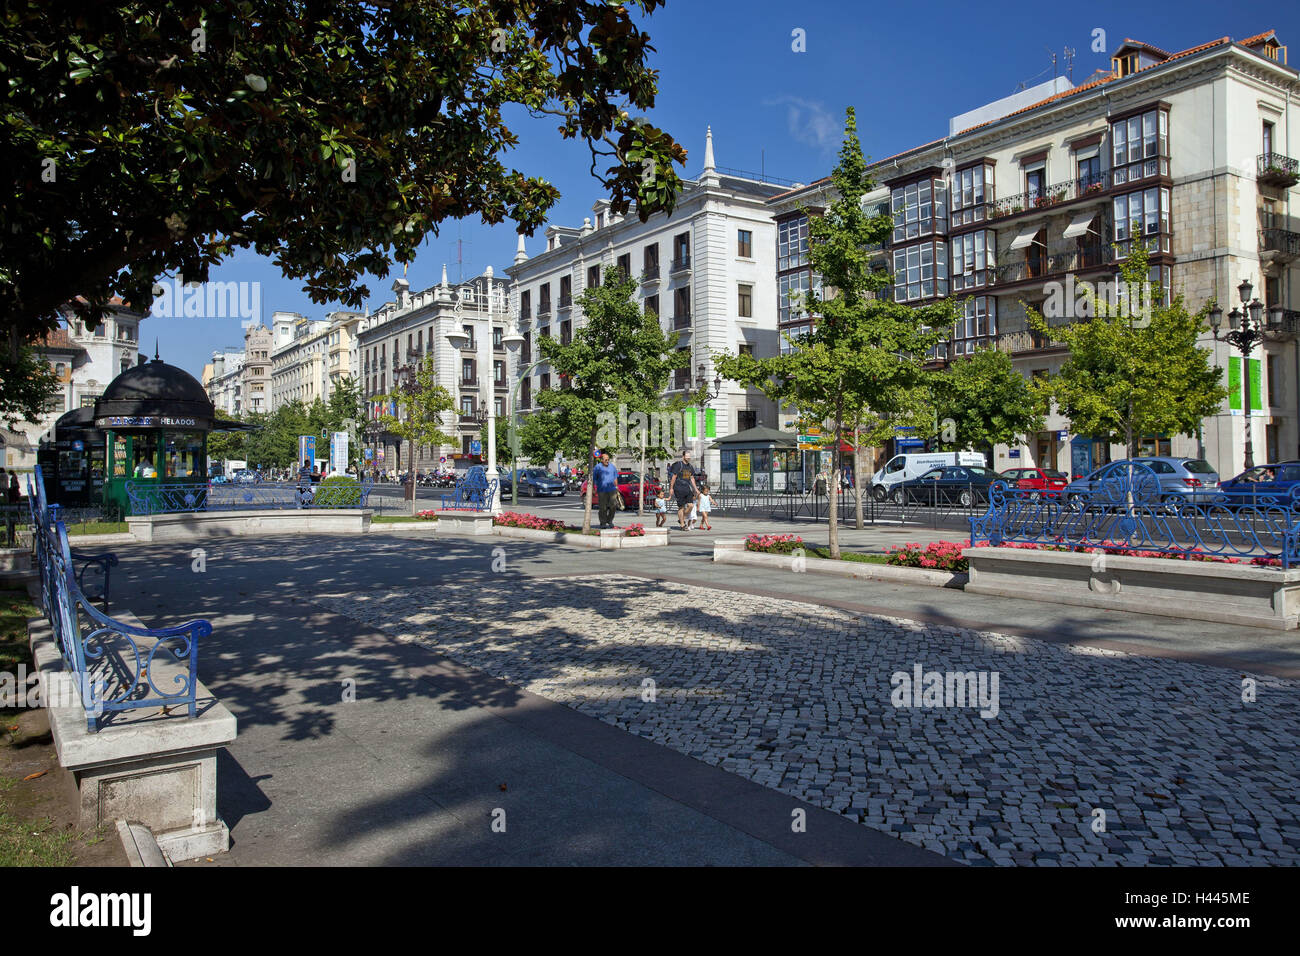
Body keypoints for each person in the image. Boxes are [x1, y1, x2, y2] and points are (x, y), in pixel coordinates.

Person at [667, 450, 700, 531]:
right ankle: (682, 525)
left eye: (689, 456)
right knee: (681, 507)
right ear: (683, 456)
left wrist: (696, 489)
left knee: (691, 505)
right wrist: (671, 488)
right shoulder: (679, 465)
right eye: (687, 456)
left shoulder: (690, 467)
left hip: (687, 488)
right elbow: (674, 477)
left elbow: (692, 478)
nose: (688, 457)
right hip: (678, 488)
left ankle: (681, 518)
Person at [592, 451, 620, 529]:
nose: (607, 461)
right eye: (605, 459)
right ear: (601, 460)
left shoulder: (612, 467)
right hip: (602, 490)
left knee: (613, 506)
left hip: (612, 489)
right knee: (602, 508)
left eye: (608, 459)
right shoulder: (597, 467)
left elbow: (615, 477)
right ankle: (603, 522)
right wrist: (593, 490)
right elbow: (593, 479)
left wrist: (617, 487)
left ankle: (609, 520)